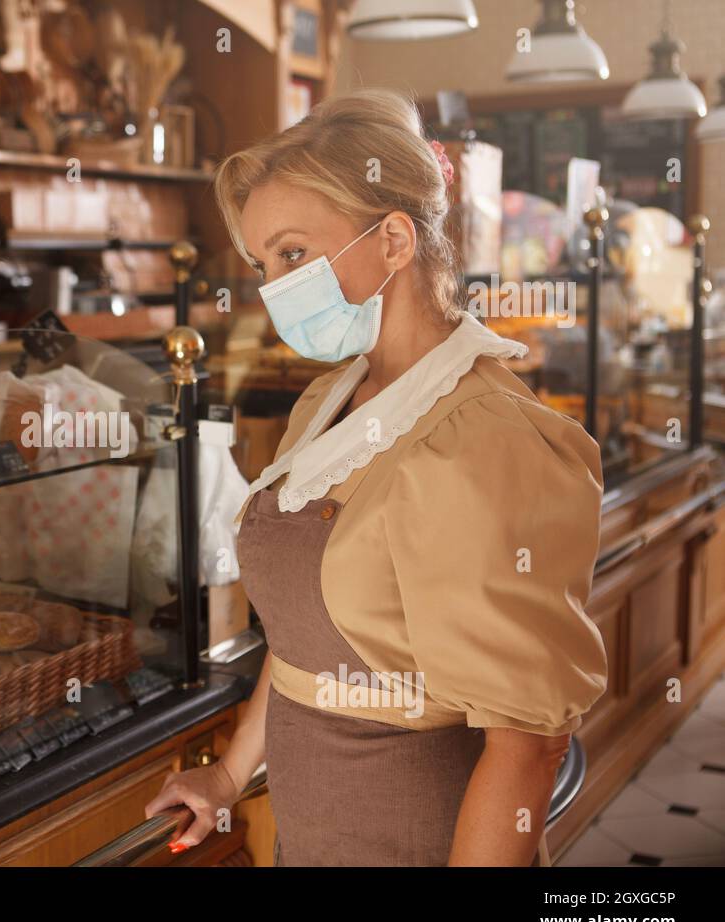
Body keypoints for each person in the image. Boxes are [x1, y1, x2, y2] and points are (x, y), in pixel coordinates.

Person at [145, 89, 607, 866]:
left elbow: (528, 745)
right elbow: (300, 648)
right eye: (263, 264)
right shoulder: (329, 400)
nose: (274, 287)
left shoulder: (487, 439)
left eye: (292, 254)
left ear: (394, 238)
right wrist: (228, 775)